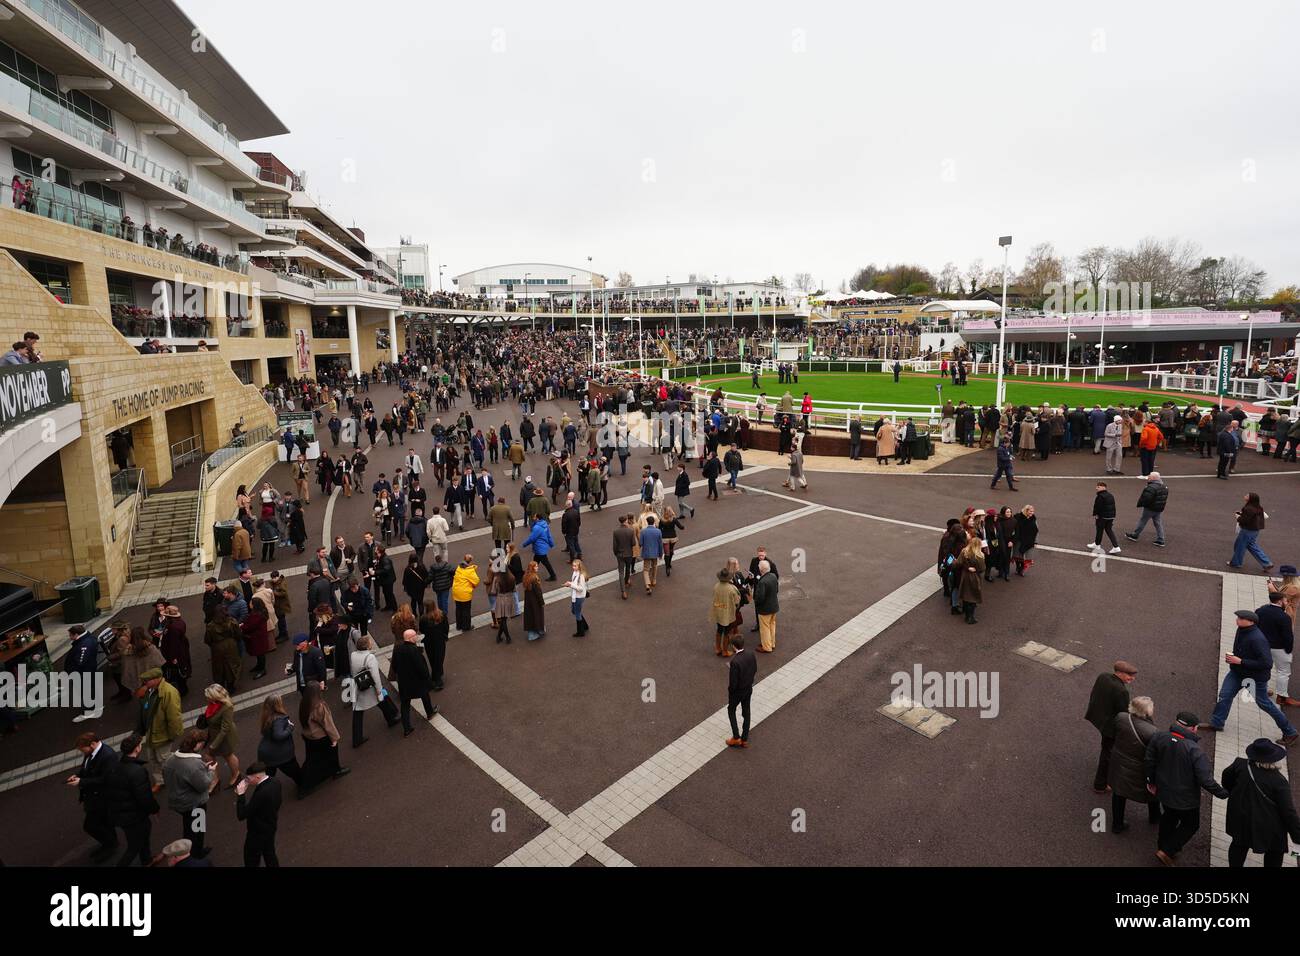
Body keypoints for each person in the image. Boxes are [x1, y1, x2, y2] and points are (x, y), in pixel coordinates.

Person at [1145, 711, 1228, 866]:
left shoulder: (1159, 737)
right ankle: (1168, 850)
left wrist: (1151, 781)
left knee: (1169, 816)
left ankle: (1162, 844)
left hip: (1163, 790)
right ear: (1193, 729)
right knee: (1191, 824)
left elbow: (1149, 760)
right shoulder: (1194, 750)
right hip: (1186, 798)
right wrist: (1223, 793)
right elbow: (1205, 780)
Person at [1203, 610, 1298, 744]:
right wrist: (1234, 660)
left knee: (1265, 704)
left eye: (1241, 618)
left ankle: (1290, 732)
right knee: (1225, 695)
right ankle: (1217, 723)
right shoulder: (1241, 630)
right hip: (1237, 672)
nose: (1238, 620)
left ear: (1251, 622)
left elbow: (1266, 663)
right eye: (1238, 617)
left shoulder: (1257, 639)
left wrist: (1240, 661)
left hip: (1254, 678)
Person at [1221, 738, 1300, 867]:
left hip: (1241, 817)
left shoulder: (1240, 764)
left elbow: (1226, 780)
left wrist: (1234, 794)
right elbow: (1288, 811)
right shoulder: (1279, 781)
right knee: (1275, 851)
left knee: (1239, 845)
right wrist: (1297, 835)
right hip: (1269, 825)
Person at [1107, 696, 1161, 833]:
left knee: (1119, 792)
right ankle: (1154, 817)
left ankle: (1117, 824)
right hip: (1138, 766)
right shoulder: (1152, 732)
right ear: (1147, 712)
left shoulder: (1121, 717)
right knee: (1152, 792)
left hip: (1119, 760)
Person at [1085, 661, 1138, 793]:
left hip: (1098, 717)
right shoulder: (1121, 691)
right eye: (1129, 675)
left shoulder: (1103, 676)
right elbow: (1124, 713)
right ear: (1119, 673)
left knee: (1107, 749)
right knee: (1108, 754)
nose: (1132, 678)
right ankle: (1100, 784)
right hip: (1110, 727)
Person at [106, 733, 159, 867]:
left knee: (139, 838)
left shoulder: (116, 766)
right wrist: (155, 808)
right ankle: (144, 860)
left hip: (120, 813)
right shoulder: (137, 771)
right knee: (134, 846)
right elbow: (145, 797)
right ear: (136, 749)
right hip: (134, 816)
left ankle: (147, 860)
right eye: (140, 745)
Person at [161, 728, 214, 859]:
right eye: (202, 743)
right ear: (197, 744)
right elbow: (203, 785)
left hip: (178, 801)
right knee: (197, 831)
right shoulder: (194, 765)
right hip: (195, 804)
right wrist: (210, 772)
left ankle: (190, 852)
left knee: (188, 827)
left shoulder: (170, 759)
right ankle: (196, 854)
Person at [68, 732, 120, 862]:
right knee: (104, 824)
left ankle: (110, 845)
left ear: (92, 744)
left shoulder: (108, 756)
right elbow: (86, 769)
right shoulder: (91, 753)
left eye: (82, 749)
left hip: (103, 799)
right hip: (94, 798)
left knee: (91, 826)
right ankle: (110, 843)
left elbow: (105, 779)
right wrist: (77, 775)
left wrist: (81, 782)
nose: (82, 752)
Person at [298, 684, 350, 795]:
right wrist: (334, 739)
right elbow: (328, 724)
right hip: (320, 737)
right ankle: (336, 770)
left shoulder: (305, 704)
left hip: (309, 736)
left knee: (312, 759)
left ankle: (304, 780)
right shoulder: (319, 706)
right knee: (332, 753)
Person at [137, 668, 184, 790]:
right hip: (152, 733)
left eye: (146, 681)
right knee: (152, 758)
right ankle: (160, 781)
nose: (144, 683)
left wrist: (172, 735)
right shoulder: (150, 690)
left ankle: (177, 778)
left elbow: (174, 717)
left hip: (162, 734)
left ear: (156, 679)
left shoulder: (169, 692)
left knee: (165, 759)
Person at [348, 634, 397, 746]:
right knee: (381, 700)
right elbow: (375, 676)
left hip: (357, 685)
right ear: (367, 646)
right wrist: (379, 690)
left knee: (358, 711)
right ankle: (391, 719)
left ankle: (357, 738)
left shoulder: (353, 655)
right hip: (369, 686)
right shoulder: (370, 658)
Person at [392, 628, 438, 735]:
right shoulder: (414, 650)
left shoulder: (398, 649)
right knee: (425, 695)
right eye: (415, 636)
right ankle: (429, 712)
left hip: (404, 682)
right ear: (410, 638)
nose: (416, 637)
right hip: (417, 680)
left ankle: (407, 728)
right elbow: (421, 667)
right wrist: (427, 677)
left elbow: (394, 666)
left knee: (405, 704)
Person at [235, 763, 282, 867]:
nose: (247, 780)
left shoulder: (262, 793)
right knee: (269, 854)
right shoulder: (275, 782)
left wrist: (241, 795)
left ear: (257, 777)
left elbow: (241, 815)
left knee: (251, 857)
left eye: (248, 778)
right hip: (271, 825)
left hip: (257, 832)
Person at [1258, 590, 1298, 707]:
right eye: (1285, 600)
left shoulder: (1261, 611)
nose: (1286, 602)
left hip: (1263, 646)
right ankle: (1282, 697)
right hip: (1279, 648)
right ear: (1280, 601)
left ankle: (1263, 691)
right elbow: (1288, 636)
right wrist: (1289, 649)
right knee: (1283, 672)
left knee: (1264, 668)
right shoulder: (1284, 617)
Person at [257, 694, 302, 787]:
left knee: (268, 778)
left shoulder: (266, 716)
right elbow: (279, 735)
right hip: (281, 755)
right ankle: (303, 788)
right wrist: (290, 727)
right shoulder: (280, 718)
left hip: (266, 754)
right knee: (296, 773)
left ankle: (266, 793)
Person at [200, 683, 239, 790]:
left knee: (228, 756)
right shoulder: (214, 703)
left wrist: (214, 745)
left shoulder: (227, 707)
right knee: (208, 756)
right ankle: (215, 779)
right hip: (214, 734)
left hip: (223, 737)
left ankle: (236, 775)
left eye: (208, 697)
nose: (206, 699)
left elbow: (225, 729)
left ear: (214, 697)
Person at [725, 633, 757, 748]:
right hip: (748, 689)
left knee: (731, 710)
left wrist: (731, 691)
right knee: (746, 711)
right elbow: (755, 669)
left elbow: (733, 683)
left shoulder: (735, 662)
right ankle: (744, 739)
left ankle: (736, 737)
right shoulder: (751, 654)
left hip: (737, 692)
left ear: (733, 646)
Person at [1228, 492, 1273, 571]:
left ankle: (1236, 563)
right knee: (1251, 545)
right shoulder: (1258, 507)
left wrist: (1238, 517)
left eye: (1247, 495)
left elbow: (1244, 520)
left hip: (1247, 530)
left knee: (1240, 546)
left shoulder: (1248, 508)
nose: (1245, 496)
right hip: (1255, 530)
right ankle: (1266, 563)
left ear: (1250, 499)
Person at [1124, 472, 1168, 548]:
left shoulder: (1151, 487)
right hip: (1159, 508)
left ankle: (1135, 535)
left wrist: (1141, 504)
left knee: (1143, 521)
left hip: (1150, 508)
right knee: (1158, 523)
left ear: (1154, 478)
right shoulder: (1164, 486)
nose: (1148, 478)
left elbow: (1146, 498)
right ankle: (1161, 539)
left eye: (1150, 477)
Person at [204, 604, 242, 693]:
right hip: (231, 645)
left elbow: (208, 639)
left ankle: (221, 686)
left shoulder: (211, 626)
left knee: (219, 667)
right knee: (231, 665)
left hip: (217, 647)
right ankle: (231, 686)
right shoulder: (232, 622)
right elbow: (238, 634)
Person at [710, 567, 741, 657]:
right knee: (727, 632)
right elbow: (737, 601)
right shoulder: (732, 588)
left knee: (719, 630)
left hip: (718, 612)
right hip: (727, 613)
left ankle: (717, 648)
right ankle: (725, 651)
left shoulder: (716, 586)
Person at [752, 559, 779, 653]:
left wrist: (756, 603)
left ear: (761, 570)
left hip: (765, 609)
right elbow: (776, 590)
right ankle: (772, 643)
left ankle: (767, 647)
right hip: (774, 606)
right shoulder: (773, 576)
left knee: (765, 628)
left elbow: (760, 598)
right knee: (772, 625)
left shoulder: (762, 582)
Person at [1086, 481, 1121, 554]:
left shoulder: (1100, 496)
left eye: (1098, 487)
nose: (1096, 488)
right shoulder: (1110, 495)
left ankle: (1097, 545)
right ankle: (1116, 547)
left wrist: (1095, 514)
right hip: (1110, 517)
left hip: (1103, 517)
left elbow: (1098, 507)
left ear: (1103, 487)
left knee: (1099, 530)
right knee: (1109, 530)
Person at [957, 534, 985, 624]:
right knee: (973, 597)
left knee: (966, 594)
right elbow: (982, 569)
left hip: (964, 576)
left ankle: (965, 612)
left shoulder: (964, 552)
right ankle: (970, 617)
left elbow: (958, 563)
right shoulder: (979, 556)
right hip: (974, 578)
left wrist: (966, 567)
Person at [522, 514, 557, 581]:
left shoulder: (537, 528)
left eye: (534, 517)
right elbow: (549, 535)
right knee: (536, 561)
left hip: (539, 548)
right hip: (542, 547)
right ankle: (530, 573)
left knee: (545, 563)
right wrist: (551, 543)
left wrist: (524, 544)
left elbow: (532, 538)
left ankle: (553, 575)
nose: (533, 517)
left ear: (537, 518)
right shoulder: (545, 525)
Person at [452, 554, 481, 632]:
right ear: (470, 561)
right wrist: (472, 586)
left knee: (458, 609)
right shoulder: (469, 571)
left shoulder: (458, 568)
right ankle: (466, 627)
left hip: (456, 591)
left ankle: (459, 625)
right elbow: (476, 581)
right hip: (465, 593)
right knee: (466, 611)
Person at [639, 514, 664, 595]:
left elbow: (640, 543)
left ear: (647, 522)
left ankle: (647, 584)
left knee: (646, 569)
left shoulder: (643, 531)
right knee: (654, 566)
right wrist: (660, 554)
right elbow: (660, 544)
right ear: (654, 522)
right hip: (655, 552)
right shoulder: (658, 531)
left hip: (646, 552)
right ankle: (653, 580)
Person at [569, 558, 590, 636]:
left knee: (577, 612)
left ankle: (580, 632)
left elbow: (580, 589)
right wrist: (570, 584)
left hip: (579, 597)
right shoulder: (575, 573)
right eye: (573, 566)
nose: (573, 567)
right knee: (574, 611)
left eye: (575, 566)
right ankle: (585, 626)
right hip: (576, 596)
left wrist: (570, 585)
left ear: (579, 566)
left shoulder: (581, 576)